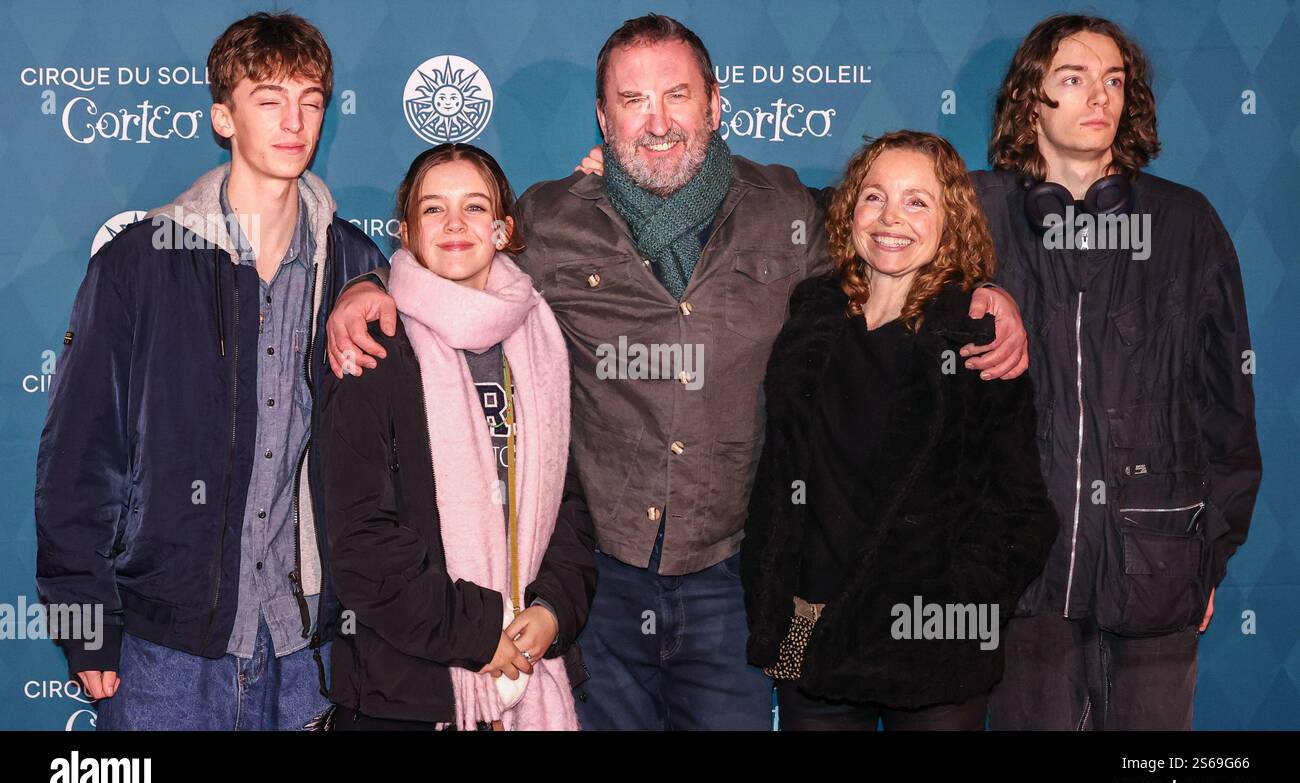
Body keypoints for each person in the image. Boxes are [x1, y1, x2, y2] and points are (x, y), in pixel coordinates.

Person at [325, 14, 1029, 730]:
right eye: (632, 101)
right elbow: (459, 269)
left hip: (734, 575)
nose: (656, 121)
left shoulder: (787, 209)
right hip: (597, 580)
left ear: (716, 104)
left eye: (677, 95)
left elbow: (888, 254)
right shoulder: (551, 216)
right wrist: (370, 287)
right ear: (604, 117)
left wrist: (981, 289)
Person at [34, 12, 387, 730]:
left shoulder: (355, 265)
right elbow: (80, 456)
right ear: (223, 117)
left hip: (307, 651)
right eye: (269, 99)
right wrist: (84, 623)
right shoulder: (139, 262)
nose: (294, 121)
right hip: (164, 649)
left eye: (311, 100)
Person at [972, 14, 1262, 730]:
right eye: (1073, 79)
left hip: (1158, 571)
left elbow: (1228, 410)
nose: (1099, 96)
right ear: (1029, 98)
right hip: (1021, 573)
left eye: (1114, 81)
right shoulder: (973, 214)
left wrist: (1206, 553)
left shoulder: (1187, 224)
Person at [741, 131, 1058, 730]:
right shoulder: (812, 311)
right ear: (849, 209)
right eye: (874, 197)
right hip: (812, 633)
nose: (891, 219)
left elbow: (1021, 507)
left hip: (929, 648)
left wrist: (962, 611)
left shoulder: (975, 335)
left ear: (952, 219)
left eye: (918, 201)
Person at [319, 143, 595, 731]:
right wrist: (478, 633)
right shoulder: (374, 347)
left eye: (474, 207)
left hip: (531, 663)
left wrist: (550, 611)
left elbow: (569, 509)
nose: (453, 225)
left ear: (503, 229)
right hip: (408, 693)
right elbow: (362, 543)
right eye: (433, 209)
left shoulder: (541, 340)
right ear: (407, 231)